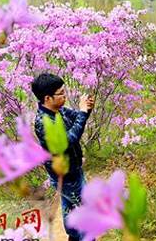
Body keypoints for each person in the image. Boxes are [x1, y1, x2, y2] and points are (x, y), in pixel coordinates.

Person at [31, 73, 94, 241]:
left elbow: (78, 120)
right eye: (61, 93)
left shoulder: (59, 111)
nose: (64, 96)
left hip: (72, 171)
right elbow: (67, 142)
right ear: (47, 98)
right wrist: (81, 112)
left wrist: (86, 109)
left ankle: (73, 237)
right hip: (65, 177)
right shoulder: (43, 122)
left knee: (70, 208)